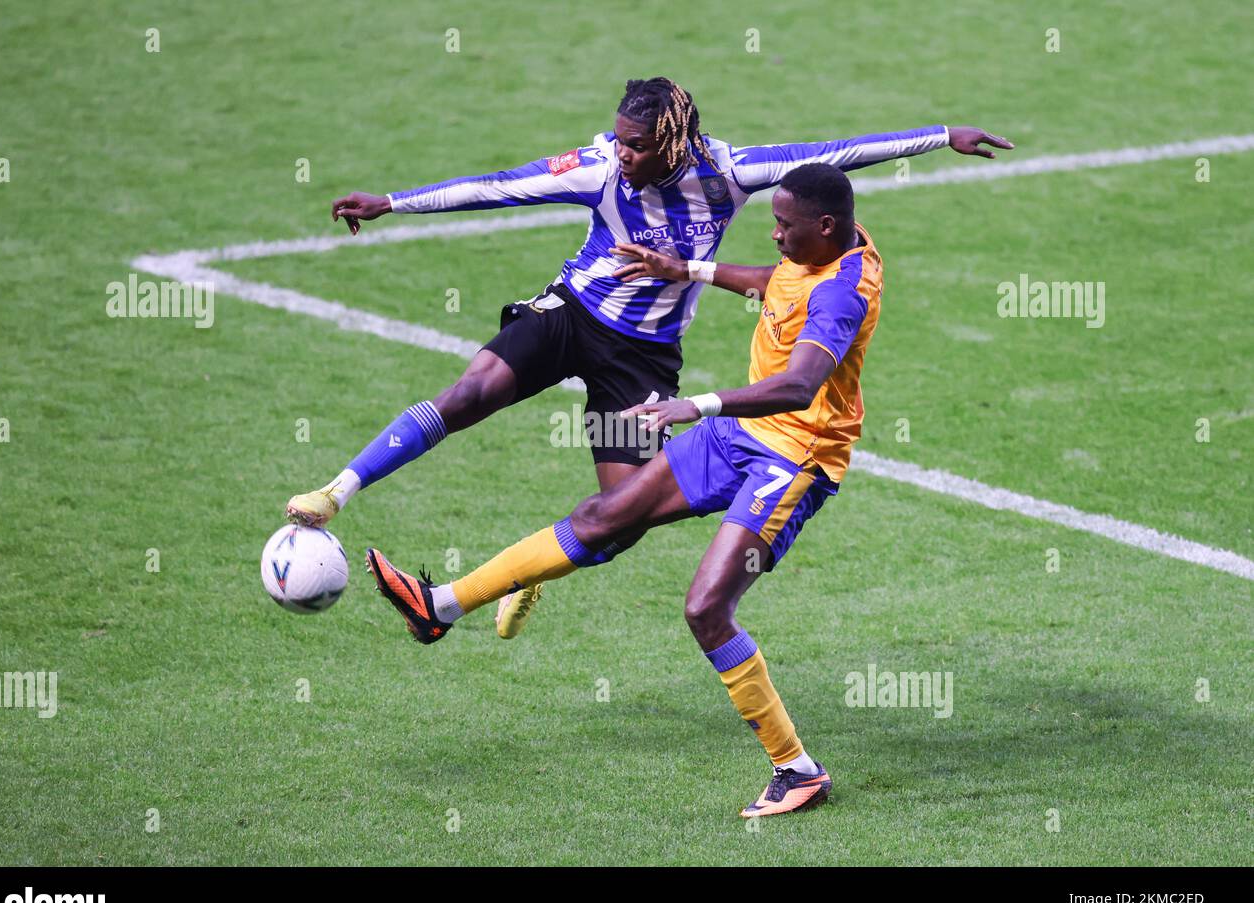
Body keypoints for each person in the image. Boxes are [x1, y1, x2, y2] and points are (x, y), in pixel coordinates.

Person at [289, 77, 1011, 642]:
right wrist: (391, 202)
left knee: (620, 515)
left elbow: (840, 153)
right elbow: (498, 187)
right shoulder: (599, 167)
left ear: (673, 140)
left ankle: (526, 574)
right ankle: (338, 490)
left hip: (640, 362)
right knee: (472, 390)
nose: (621, 150)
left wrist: (944, 135)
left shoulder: (729, 175)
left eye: (636, 144)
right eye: (621, 139)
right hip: (571, 316)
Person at [365, 162, 891, 818]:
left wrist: (696, 405)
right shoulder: (829, 243)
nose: (774, 235)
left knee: (706, 609)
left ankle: (798, 769)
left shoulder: (843, 292)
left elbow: (798, 385)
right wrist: (685, 271)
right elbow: (777, 284)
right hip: (743, 435)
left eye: (785, 225)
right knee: (604, 515)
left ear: (826, 225)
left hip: (792, 461)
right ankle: (438, 607)